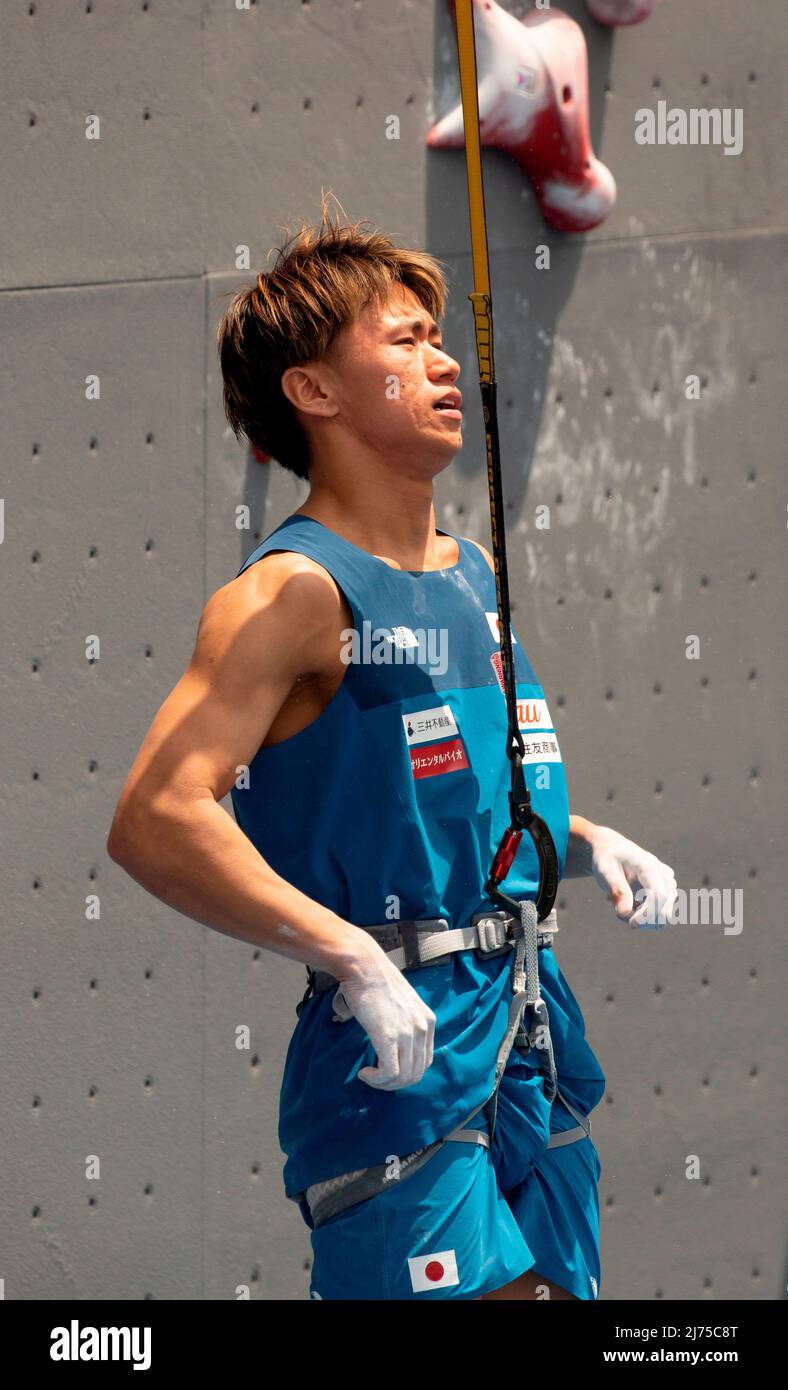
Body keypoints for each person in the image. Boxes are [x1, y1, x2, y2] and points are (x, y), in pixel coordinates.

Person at [107, 198, 677, 1301]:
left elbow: (438, 794)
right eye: (404, 341)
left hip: (525, 1028)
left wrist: (583, 835)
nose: (444, 363)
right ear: (312, 391)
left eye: (439, 337)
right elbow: (154, 815)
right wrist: (350, 956)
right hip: (396, 1061)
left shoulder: (468, 571)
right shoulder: (288, 593)